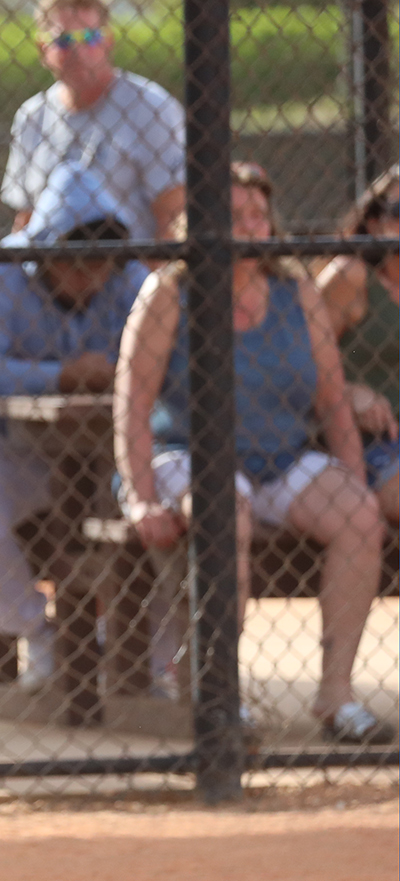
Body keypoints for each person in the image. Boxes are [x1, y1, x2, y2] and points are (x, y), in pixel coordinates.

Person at [115, 161, 393, 746]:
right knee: (226, 507)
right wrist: (141, 498)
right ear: (203, 221)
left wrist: (352, 477)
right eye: (235, 215)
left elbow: (333, 400)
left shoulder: (297, 292)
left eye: (258, 215)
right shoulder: (170, 292)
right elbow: (133, 404)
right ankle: (221, 693)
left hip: (280, 458)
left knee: (359, 517)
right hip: (186, 457)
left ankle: (336, 696)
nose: (250, 226)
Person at [0, 164, 146, 687]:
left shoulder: (130, 277)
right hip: (7, 447)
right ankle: (37, 633)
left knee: (167, 509)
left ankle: (152, 661)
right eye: (76, 259)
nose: (92, 274)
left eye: (101, 260)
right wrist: (60, 376)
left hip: (108, 452)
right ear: (44, 248)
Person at [3, 0, 184, 243]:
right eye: (64, 40)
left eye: (89, 37)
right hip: (50, 275)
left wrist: (153, 279)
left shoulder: (151, 107)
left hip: (129, 272)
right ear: (42, 47)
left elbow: (173, 217)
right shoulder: (31, 116)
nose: (77, 51)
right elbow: (26, 219)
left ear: (108, 42)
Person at [315, 166, 399, 527]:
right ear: (376, 222)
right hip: (368, 441)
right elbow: (294, 359)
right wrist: (349, 392)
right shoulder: (351, 277)